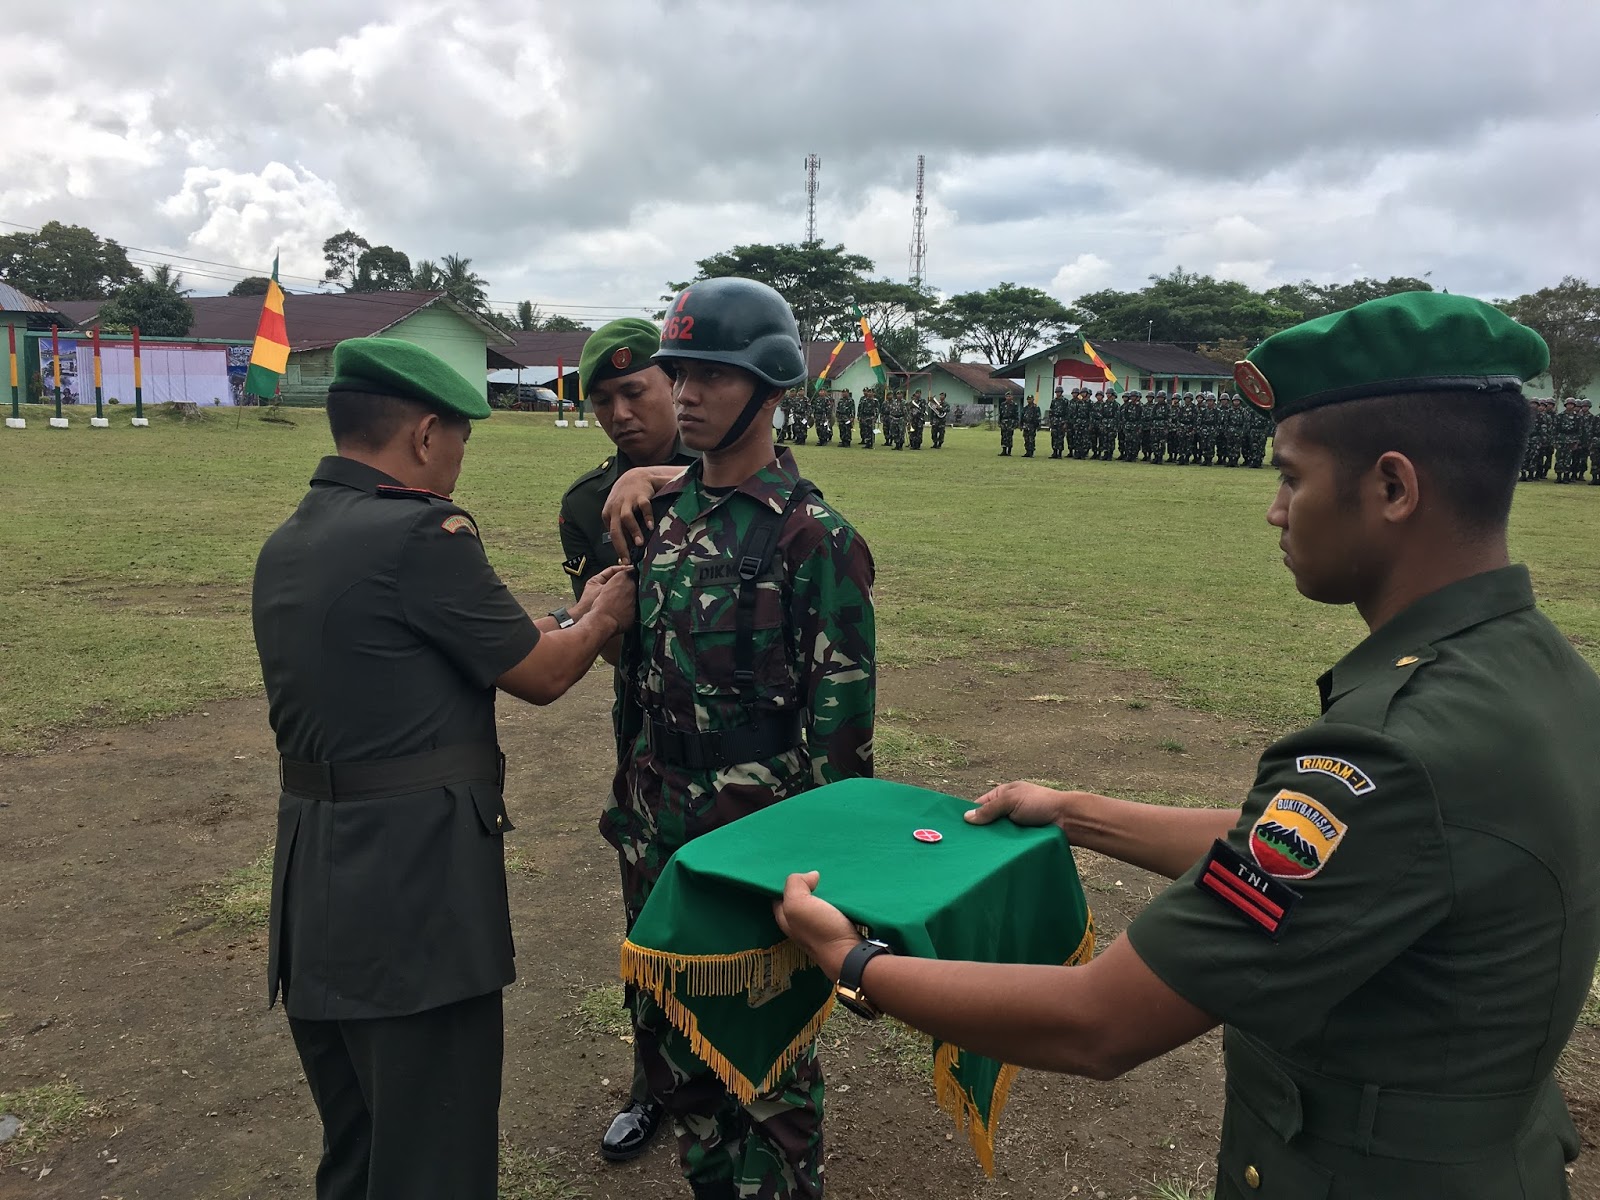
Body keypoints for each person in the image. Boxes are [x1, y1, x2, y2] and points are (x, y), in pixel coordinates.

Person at [774, 292, 1600, 1200]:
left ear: (1393, 488)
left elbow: (1099, 1022)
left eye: (1292, 479)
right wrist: (1075, 813)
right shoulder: (1540, 670)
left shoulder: (1390, 751)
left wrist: (855, 963)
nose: (1276, 512)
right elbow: (1318, 858)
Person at [252, 337, 635, 1200]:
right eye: (461, 436)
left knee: (359, 1144)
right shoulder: (423, 531)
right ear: (426, 434)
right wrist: (605, 615)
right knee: (435, 1153)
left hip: (319, 884)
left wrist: (567, 614)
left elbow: (458, 639)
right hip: (412, 896)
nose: (461, 456)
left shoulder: (298, 533)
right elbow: (541, 676)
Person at [604, 277, 876, 1200]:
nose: (684, 394)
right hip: (658, 832)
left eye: (711, 376)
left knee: (767, 1064)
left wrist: (832, 875)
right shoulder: (658, 518)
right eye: (678, 373)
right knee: (678, 1052)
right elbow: (638, 685)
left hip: (759, 844)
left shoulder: (814, 540)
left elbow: (843, 733)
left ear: (769, 387)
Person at [558, 318, 700, 1163]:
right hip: (650, 735)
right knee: (648, 917)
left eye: (634, 391)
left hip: (748, 746)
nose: (619, 413)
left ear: (673, 385)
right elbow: (611, 644)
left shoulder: (736, 466)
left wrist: (671, 478)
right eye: (603, 400)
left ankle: (755, 1077)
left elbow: (789, 487)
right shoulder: (588, 504)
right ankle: (653, 1084)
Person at [1048, 386, 1069, 458]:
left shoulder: (1065, 401)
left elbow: (1067, 413)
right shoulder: (1053, 401)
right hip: (1054, 421)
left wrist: (1065, 423)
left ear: (1061, 393)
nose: (1057, 393)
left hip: (1061, 421)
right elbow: (1051, 411)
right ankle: (1054, 452)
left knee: (1060, 437)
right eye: (1056, 392)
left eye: (1058, 392)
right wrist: (1050, 421)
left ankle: (1059, 453)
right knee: (1054, 437)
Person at [996, 391, 1020, 456]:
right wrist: (999, 422)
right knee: (1003, 436)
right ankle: (1004, 450)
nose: (1008, 397)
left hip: (1011, 422)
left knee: (1009, 436)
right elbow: (1000, 414)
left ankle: (1009, 451)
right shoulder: (1002, 404)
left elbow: (1016, 415)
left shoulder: (1014, 405)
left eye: (1009, 396)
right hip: (1004, 422)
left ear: (1012, 397)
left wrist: (1016, 423)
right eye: (1007, 396)